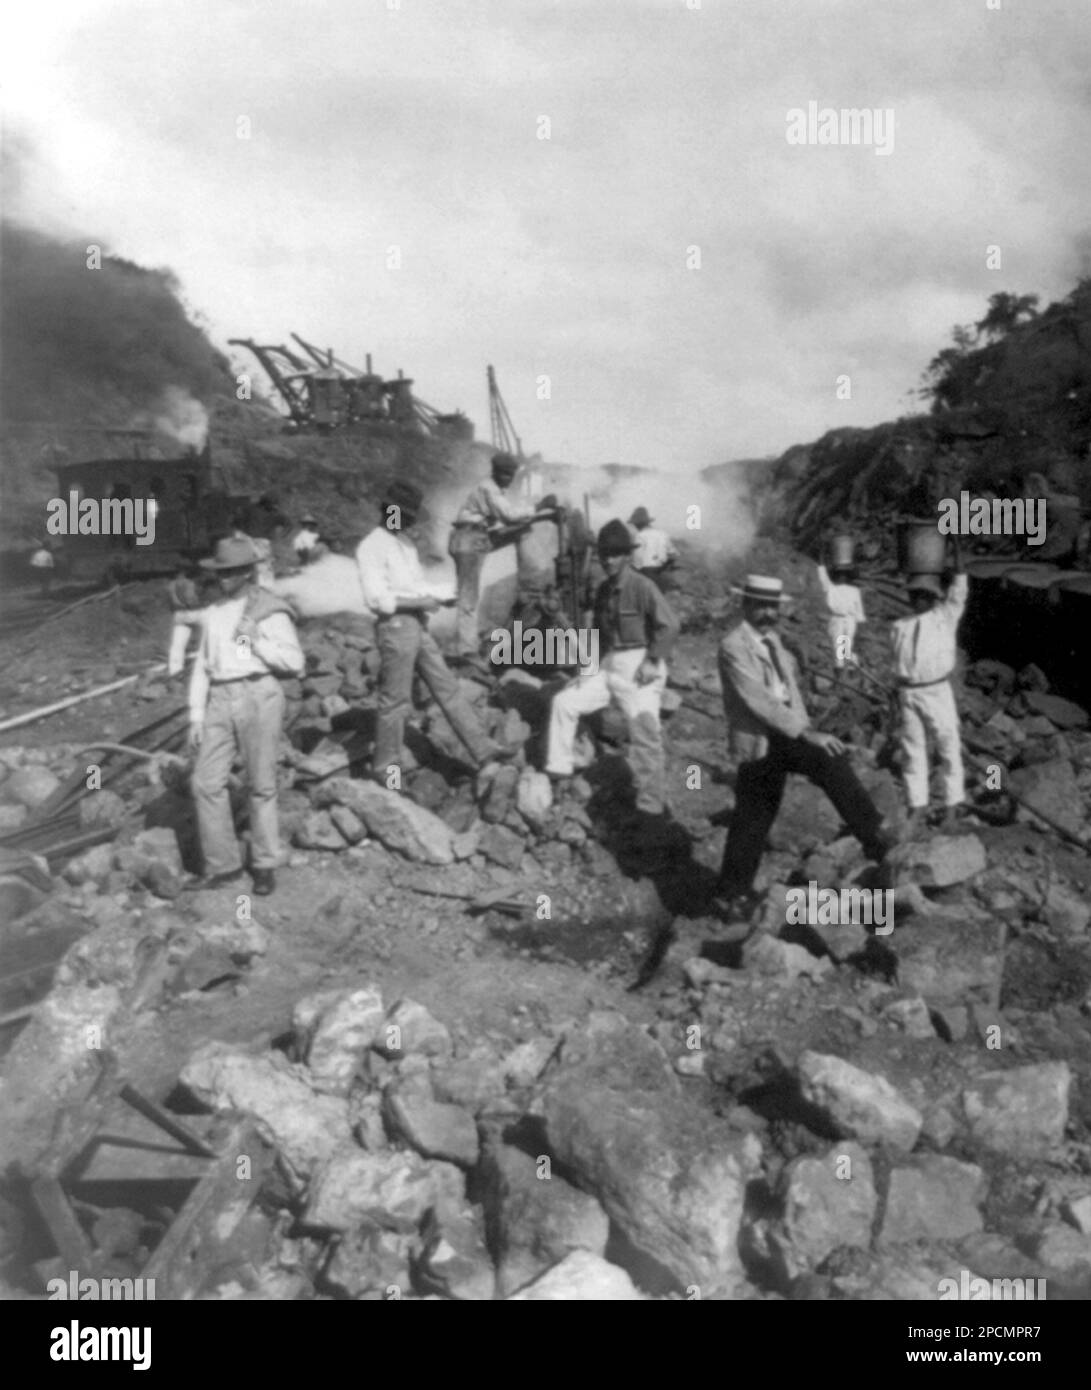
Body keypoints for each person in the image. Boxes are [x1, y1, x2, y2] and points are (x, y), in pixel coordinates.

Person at [715, 574, 896, 918]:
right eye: (760, 606)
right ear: (746, 605)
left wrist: (805, 723)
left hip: (786, 733)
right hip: (760, 737)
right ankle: (731, 895)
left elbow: (789, 692)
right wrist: (806, 733)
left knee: (828, 761)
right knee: (754, 816)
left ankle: (874, 836)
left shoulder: (775, 641)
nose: (768, 613)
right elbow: (760, 701)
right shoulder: (733, 646)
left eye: (773, 607)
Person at [357, 480, 512, 780]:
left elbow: (415, 587)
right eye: (400, 515)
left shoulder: (403, 544)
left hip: (417, 626)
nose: (405, 521)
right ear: (389, 511)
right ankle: (386, 771)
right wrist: (423, 600)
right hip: (396, 628)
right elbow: (377, 599)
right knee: (395, 702)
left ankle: (483, 751)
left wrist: (442, 592)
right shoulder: (372, 546)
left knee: (447, 688)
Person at [188, 536, 305, 895]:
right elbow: (202, 668)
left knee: (261, 784)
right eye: (219, 572)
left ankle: (265, 862)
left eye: (231, 572)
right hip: (220, 697)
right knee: (205, 782)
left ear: (246, 573)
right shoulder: (214, 612)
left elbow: (295, 662)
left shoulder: (268, 609)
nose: (223, 578)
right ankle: (223, 866)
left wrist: (254, 639)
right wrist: (195, 714)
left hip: (258, 692)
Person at [545, 519, 678, 818]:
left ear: (628, 555)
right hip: (609, 664)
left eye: (616, 553)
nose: (608, 560)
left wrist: (652, 660)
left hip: (639, 663)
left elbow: (669, 625)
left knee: (644, 733)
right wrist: (586, 670)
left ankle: (651, 807)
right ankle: (558, 771)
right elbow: (600, 639)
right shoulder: (604, 590)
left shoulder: (642, 586)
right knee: (564, 702)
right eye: (605, 554)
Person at [448, 452, 553, 659]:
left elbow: (509, 520)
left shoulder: (495, 489)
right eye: (504, 474)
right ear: (495, 472)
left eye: (510, 475)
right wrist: (539, 507)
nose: (508, 478)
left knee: (523, 529)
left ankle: (529, 579)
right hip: (469, 539)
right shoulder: (489, 489)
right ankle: (467, 650)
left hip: (478, 537)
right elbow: (509, 515)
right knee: (468, 596)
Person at [890, 563, 968, 832]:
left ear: (934, 596)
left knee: (948, 746)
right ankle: (917, 805)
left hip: (936, 691)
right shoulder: (900, 626)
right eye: (914, 594)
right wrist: (895, 689)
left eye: (923, 594)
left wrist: (959, 571)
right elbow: (897, 660)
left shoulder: (945, 617)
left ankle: (952, 807)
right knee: (913, 750)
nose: (917, 599)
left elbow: (958, 594)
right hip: (908, 692)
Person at [816, 560, 866, 667]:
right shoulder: (832, 588)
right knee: (838, 647)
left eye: (843, 575)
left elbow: (859, 609)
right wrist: (821, 565)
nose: (841, 577)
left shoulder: (854, 590)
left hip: (850, 620)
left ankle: (849, 669)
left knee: (848, 646)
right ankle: (840, 670)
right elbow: (823, 579)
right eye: (839, 575)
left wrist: (859, 622)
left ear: (847, 577)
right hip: (837, 619)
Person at [627, 507, 678, 590]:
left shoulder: (639, 536)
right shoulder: (663, 534)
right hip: (663, 577)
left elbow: (637, 563)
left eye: (635, 525)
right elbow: (673, 555)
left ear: (638, 524)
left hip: (647, 577)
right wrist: (664, 567)